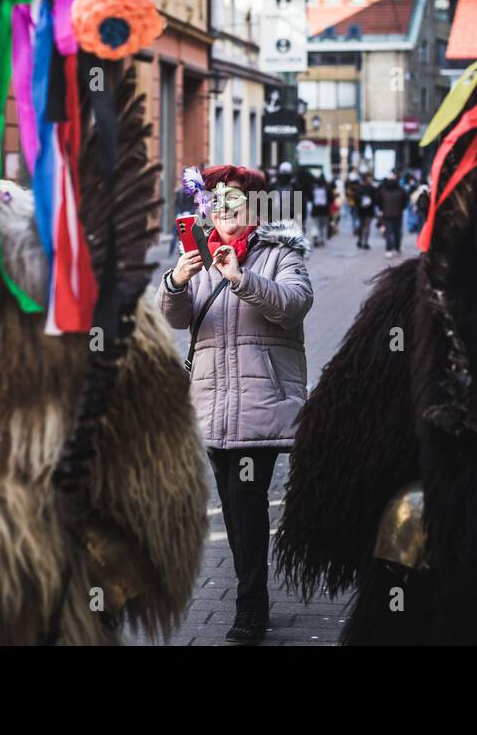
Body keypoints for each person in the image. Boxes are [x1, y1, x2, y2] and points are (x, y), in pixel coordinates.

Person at [157, 164, 313, 645]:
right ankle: (252, 592)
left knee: (246, 502)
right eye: (217, 201)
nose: (224, 209)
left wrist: (241, 277)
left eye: (235, 201)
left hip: (260, 402)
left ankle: (251, 607)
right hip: (211, 403)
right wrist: (176, 281)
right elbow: (178, 319)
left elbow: (294, 304)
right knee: (231, 502)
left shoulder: (281, 253)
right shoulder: (197, 253)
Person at [377, 170, 409, 256]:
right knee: (397, 231)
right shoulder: (401, 189)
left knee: (388, 232)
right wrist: (401, 208)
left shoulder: (383, 190)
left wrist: (382, 209)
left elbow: (379, 201)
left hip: (386, 214)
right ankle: (397, 247)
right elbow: (405, 201)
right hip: (398, 213)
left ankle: (388, 250)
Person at [354, 172, 377, 249]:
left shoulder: (359, 187)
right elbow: (375, 199)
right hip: (369, 210)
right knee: (367, 226)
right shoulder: (372, 188)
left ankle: (360, 241)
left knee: (362, 225)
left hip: (361, 209)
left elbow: (355, 198)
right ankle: (365, 242)